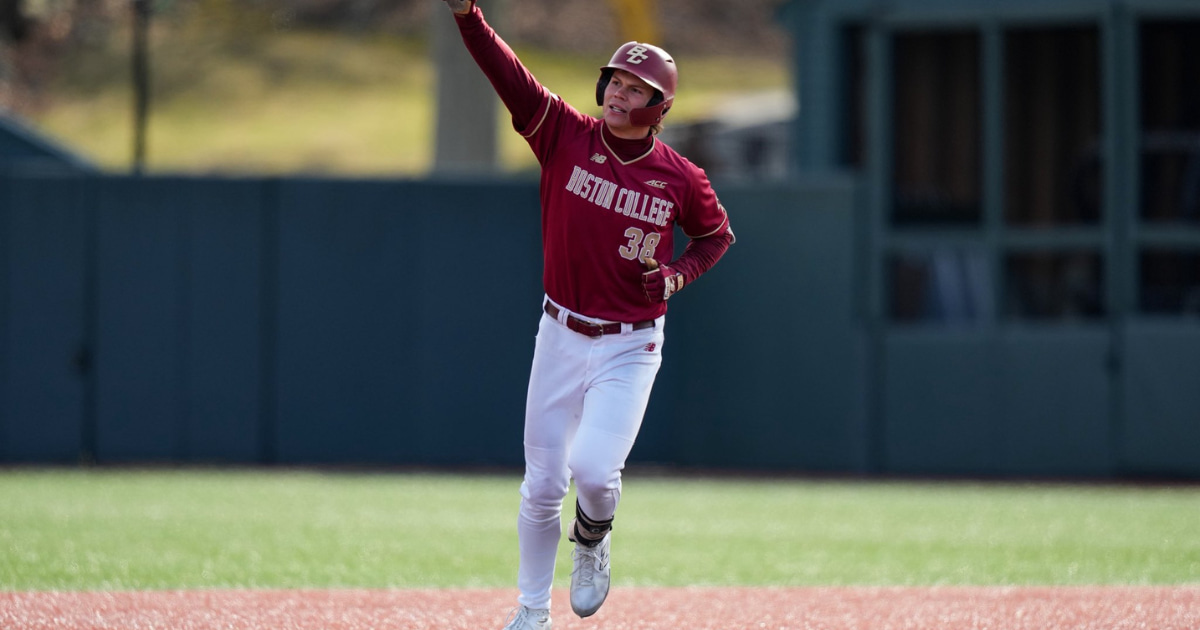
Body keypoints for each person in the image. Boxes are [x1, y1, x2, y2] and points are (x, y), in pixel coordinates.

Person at [437, 2, 735, 629]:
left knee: (595, 471)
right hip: (560, 331)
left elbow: (715, 236)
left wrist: (678, 274)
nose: (620, 94)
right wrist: (468, 15)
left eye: (636, 89)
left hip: (631, 343)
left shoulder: (681, 178)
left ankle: (593, 539)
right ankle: (529, 612)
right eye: (617, 82)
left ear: (661, 107)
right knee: (542, 484)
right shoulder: (565, 135)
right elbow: (507, 72)